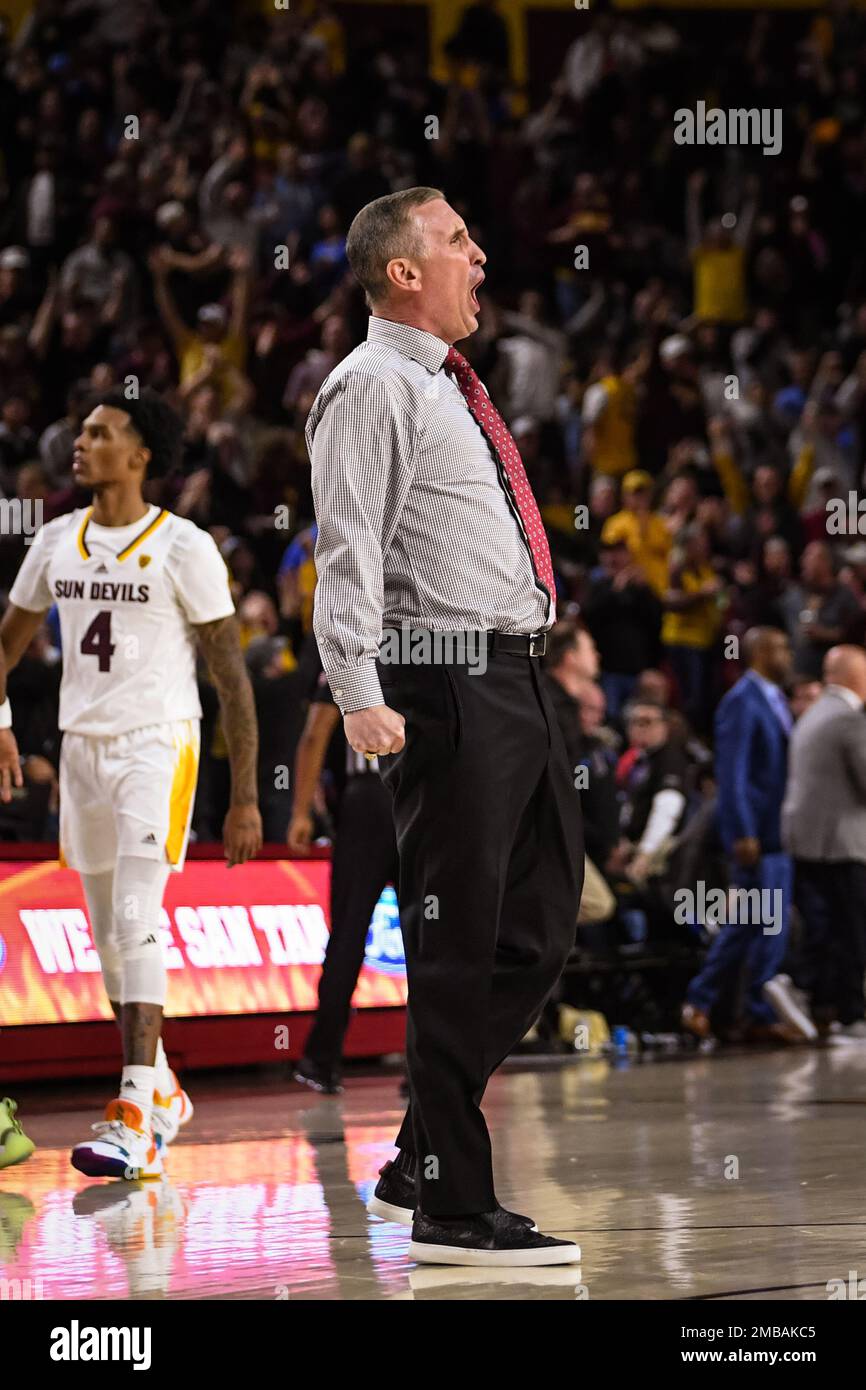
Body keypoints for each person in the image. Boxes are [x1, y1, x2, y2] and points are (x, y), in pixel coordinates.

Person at [308, 187, 582, 1266]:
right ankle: (454, 1208)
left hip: (516, 676)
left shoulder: (442, 384)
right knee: (456, 940)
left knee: (541, 929)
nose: (479, 255)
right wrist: (356, 688)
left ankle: (423, 1145)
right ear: (404, 271)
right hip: (439, 683)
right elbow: (349, 549)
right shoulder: (369, 385)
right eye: (458, 241)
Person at [0, 388, 263, 1180]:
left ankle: (134, 1108)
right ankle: (163, 1093)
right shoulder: (53, 540)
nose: (79, 444)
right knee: (109, 939)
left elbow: (233, 680)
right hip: (81, 749)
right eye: (81, 431)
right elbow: (4, 644)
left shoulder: (184, 546)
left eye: (99, 433)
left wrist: (246, 794)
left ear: (140, 455)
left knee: (137, 919)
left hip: (159, 745)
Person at [681, 627, 815, 1043]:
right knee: (765, 922)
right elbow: (732, 774)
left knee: (749, 921)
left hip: (777, 830)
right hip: (759, 833)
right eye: (780, 646)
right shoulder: (741, 701)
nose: (788, 653)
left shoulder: (774, 699)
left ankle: (702, 1002)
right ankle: (755, 1009)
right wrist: (742, 831)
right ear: (758, 652)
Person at [288, 663, 398, 1095]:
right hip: (419, 798)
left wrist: (299, 811)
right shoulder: (434, 637)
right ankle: (430, 1069)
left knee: (349, 935)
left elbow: (316, 733)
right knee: (431, 943)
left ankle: (322, 1058)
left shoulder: (349, 647)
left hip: (369, 801)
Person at [782, 645, 866, 1037]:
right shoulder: (849, 718)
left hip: (808, 839)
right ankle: (850, 1016)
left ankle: (812, 995)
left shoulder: (814, 711)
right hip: (841, 843)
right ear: (854, 676)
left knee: (826, 926)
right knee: (851, 929)